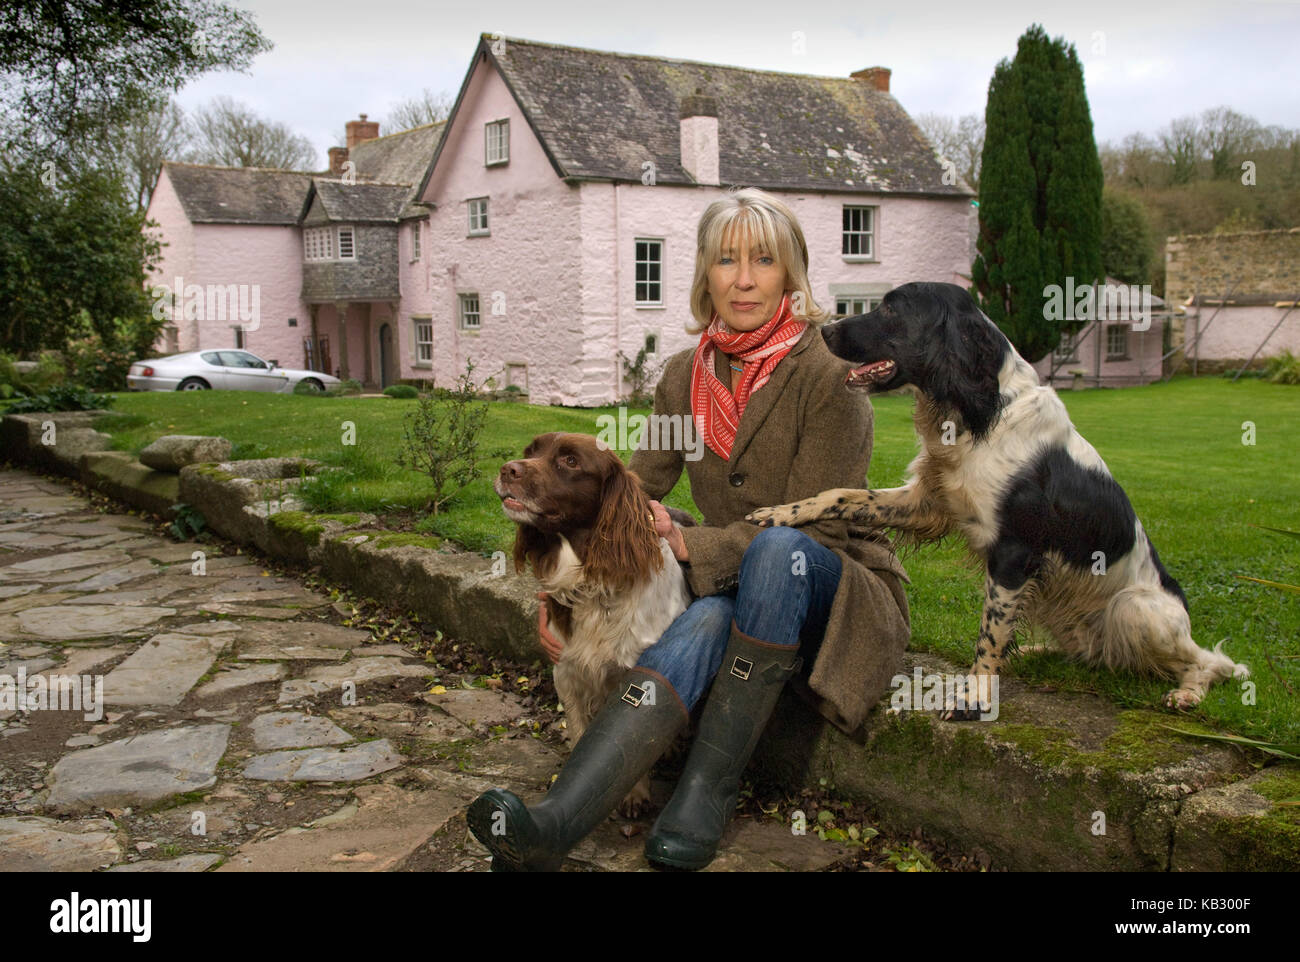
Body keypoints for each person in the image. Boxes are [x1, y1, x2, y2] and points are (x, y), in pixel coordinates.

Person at [467, 187, 911, 871]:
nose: (742, 279)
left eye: (762, 261)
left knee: (778, 552)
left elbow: (820, 530)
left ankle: (708, 791)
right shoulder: (686, 374)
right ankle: (555, 825)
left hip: (831, 583)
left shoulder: (830, 377)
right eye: (725, 260)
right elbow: (627, 491)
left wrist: (689, 542)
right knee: (704, 623)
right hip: (738, 583)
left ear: (790, 273)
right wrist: (563, 591)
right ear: (704, 272)